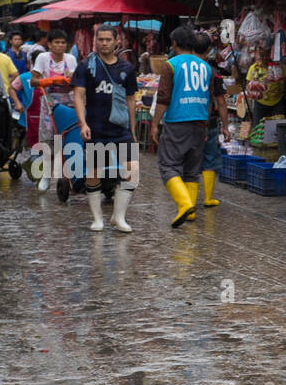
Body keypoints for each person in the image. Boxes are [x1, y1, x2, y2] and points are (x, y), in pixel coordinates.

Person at [72, 24, 140, 233]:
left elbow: (131, 100)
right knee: (94, 173)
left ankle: (118, 217)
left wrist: (133, 130)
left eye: (108, 40)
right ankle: (97, 219)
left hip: (121, 130)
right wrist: (83, 124)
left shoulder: (126, 69)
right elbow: (78, 95)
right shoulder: (86, 66)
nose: (104, 43)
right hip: (96, 129)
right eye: (100, 40)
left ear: (116, 41)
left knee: (132, 171)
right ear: (95, 41)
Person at [150, 26, 213, 227]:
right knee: (192, 169)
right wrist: (205, 124)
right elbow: (209, 99)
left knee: (168, 165)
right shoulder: (206, 66)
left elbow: (163, 98)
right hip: (200, 123)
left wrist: (154, 124)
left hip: (177, 122)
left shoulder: (171, 65)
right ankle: (190, 210)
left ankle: (184, 204)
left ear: (174, 43)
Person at [30, 29, 77, 194]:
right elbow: (33, 81)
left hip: (68, 102)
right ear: (49, 44)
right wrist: (49, 80)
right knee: (48, 139)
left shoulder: (70, 59)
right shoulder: (43, 58)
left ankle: (70, 173)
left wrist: (67, 81)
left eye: (63, 42)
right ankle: (45, 175)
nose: (60, 45)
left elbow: (74, 80)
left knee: (67, 136)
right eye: (56, 42)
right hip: (49, 102)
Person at [190, 29, 229, 214]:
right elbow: (221, 103)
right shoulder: (214, 73)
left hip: (188, 122)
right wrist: (226, 127)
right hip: (210, 122)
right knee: (209, 158)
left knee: (190, 160)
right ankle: (208, 198)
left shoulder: (184, 71)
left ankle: (189, 201)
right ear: (209, 50)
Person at [245, 50, 286, 122]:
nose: (265, 58)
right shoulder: (254, 68)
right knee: (257, 126)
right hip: (260, 103)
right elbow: (248, 85)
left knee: (278, 125)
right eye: (262, 56)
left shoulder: (279, 67)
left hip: (277, 101)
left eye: (267, 55)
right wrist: (252, 92)